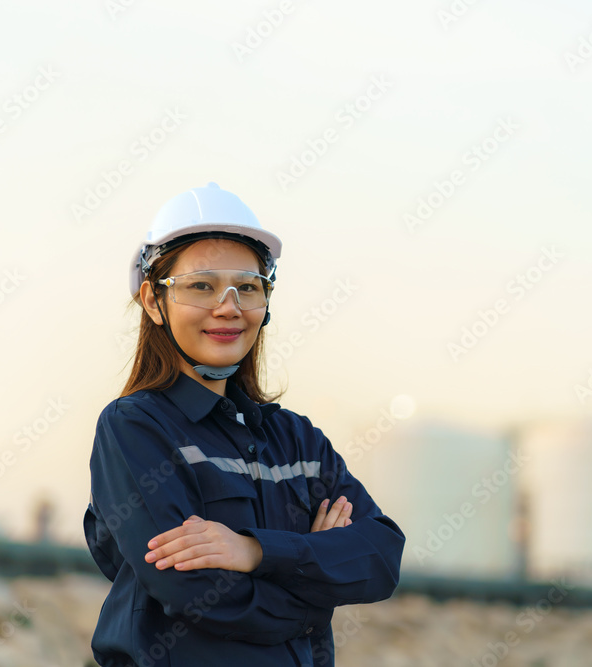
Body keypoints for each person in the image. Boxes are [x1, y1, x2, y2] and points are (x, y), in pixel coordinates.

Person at [83, 182, 405, 666]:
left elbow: (380, 558)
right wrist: (314, 592)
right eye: (202, 285)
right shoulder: (135, 428)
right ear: (153, 301)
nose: (228, 306)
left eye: (247, 287)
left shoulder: (299, 441)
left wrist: (255, 552)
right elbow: (190, 589)